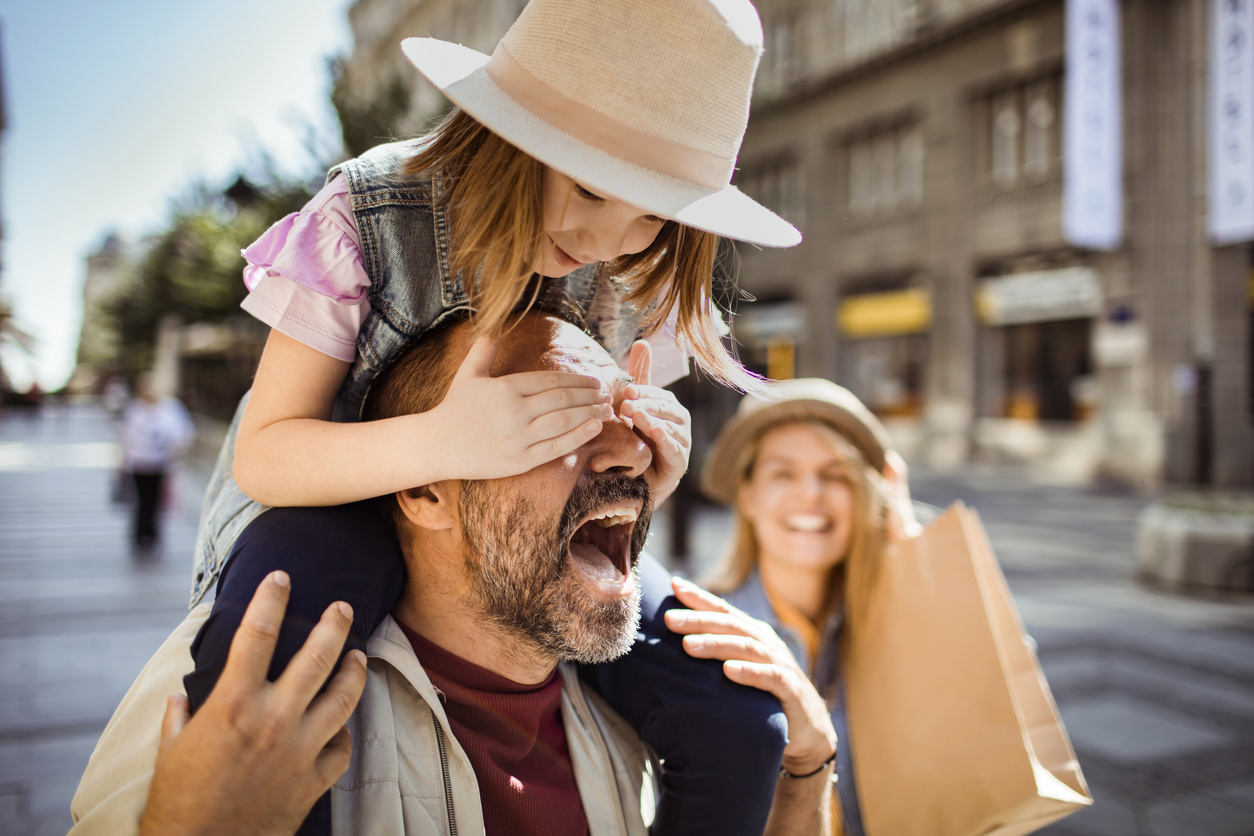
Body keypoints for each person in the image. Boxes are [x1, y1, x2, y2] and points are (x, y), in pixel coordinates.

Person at [187, 2, 799, 833]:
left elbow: (593, 455)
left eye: (653, 212)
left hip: (523, 524)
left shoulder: (637, 270)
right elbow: (266, 453)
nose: (607, 239)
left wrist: (648, 460)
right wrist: (443, 442)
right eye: (589, 186)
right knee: (262, 683)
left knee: (740, 717)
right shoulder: (368, 212)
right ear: (509, 131)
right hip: (329, 502)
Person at [71, 310, 833, 836]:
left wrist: (805, 766)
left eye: (627, 417)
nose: (634, 453)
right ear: (426, 486)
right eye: (553, 417)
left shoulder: (651, 719)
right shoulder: (243, 696)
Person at [669, 378, 923, 836]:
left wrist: (914, 563)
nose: (811, 494)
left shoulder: (902, 623)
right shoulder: (699, 632)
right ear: (747, 494)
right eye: (783, 473)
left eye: (835, 474)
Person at [121, 373, 194, 551]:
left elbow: (184, 433)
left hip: (161, 463)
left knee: (155, 502)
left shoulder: (170, 407)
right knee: (141, 501)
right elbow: (124, 435)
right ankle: (140, 535)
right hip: (138, 463)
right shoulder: (134, 408)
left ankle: (152, 536)